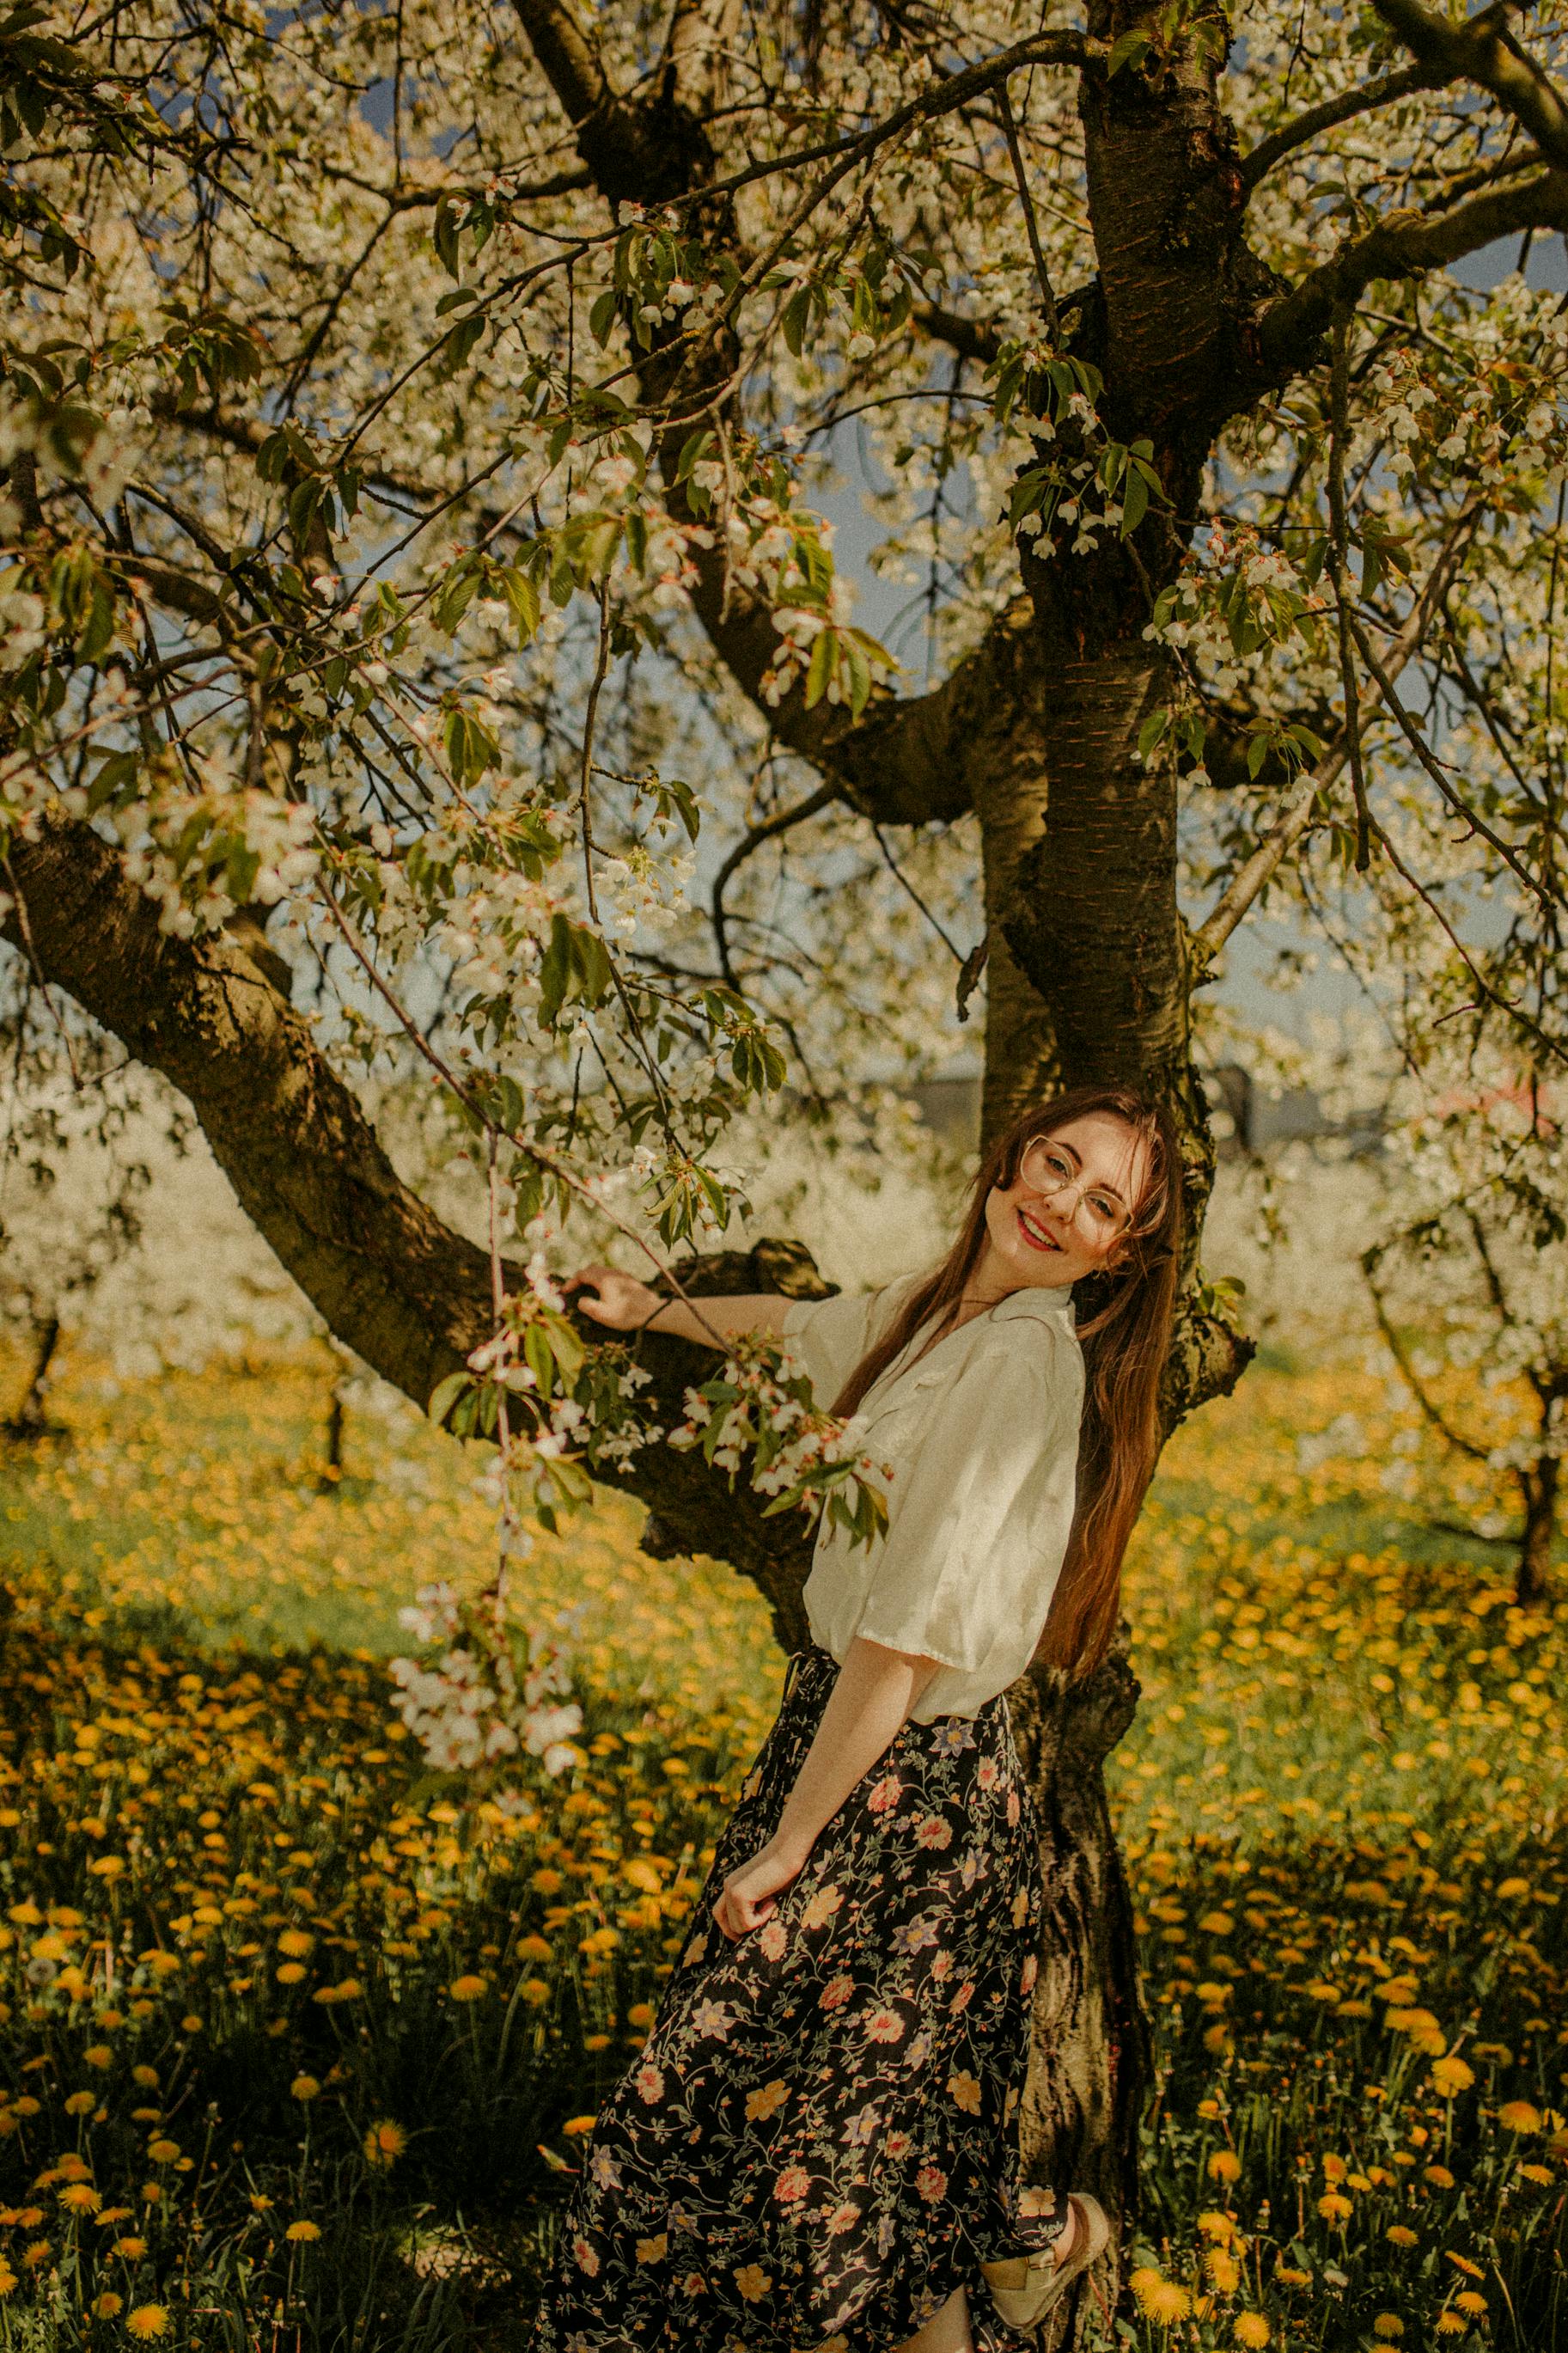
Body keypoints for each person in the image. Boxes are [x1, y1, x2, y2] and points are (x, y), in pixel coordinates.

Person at [528, 1084, 1181, 2353]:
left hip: (912, 1792)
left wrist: (786, 1842)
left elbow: (903, 1633)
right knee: (869, 2178)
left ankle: (1035, 2233)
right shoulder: (938, 1310)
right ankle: (1023, 2243)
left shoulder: (1016, 1358)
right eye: (1057, 1164)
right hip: (853, 1748)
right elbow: (799, 1322)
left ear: (1118, 1253)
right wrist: (646, 1307)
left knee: (729, 2131)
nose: (1058, 1202)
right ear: (1011, 1158)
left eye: (1100, 1202)